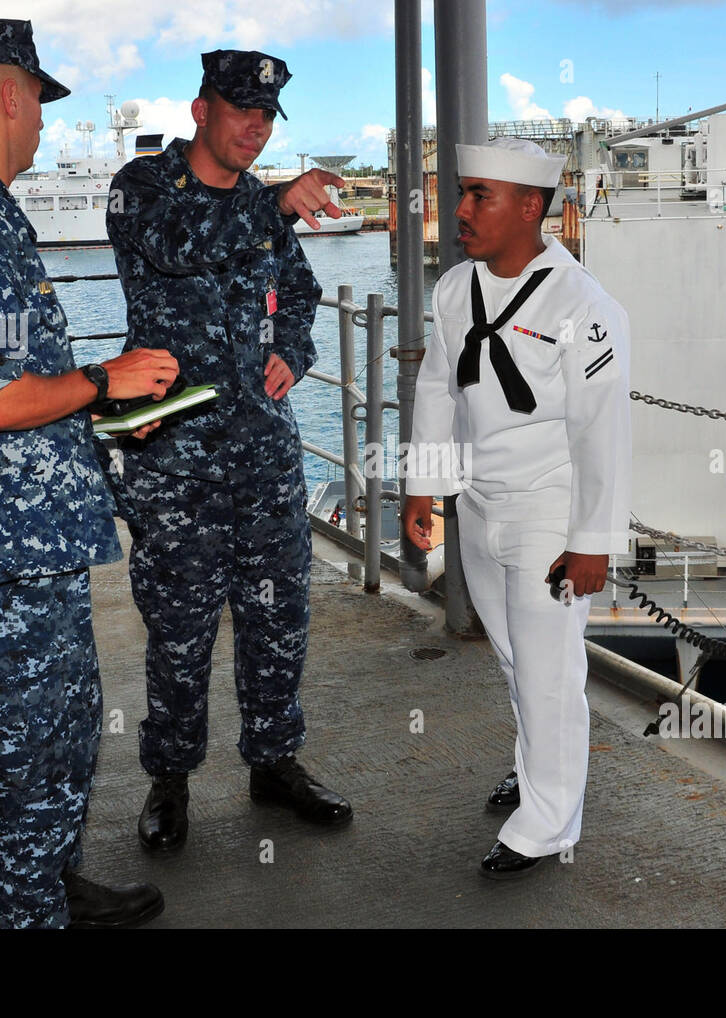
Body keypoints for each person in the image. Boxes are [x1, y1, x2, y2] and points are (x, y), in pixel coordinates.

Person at [0, 18, 179, 928]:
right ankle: (23, 910)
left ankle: (46, 878)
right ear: (12, 95)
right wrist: (103, 379)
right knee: (30, 748)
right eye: (41, 104)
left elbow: (13, 390)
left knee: (56, 732)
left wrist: (104, 410)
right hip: (4, 544)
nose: (46, 124)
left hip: (29, 535)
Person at [107, 48, 352, 855]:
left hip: (266, 459)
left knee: (279, 618)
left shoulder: (259, 205)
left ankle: (274, 763)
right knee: (179, 630)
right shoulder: (143, 189)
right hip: (173, 460)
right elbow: (180, 244)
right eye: (240, 107)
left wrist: (295, 348)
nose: (256, 124)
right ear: (199, 110)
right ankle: (169, 781)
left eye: (268, 114)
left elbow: (304, 293)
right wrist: (277, 205)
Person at [402, 137, 632, 879]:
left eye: (479, 196)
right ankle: (537, 772)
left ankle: (547, 825)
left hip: (550, 512)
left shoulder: (583, 304)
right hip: (479, 503)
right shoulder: (454, 290)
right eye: (463, 194)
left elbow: (602, 428)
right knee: (514, 659)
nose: (461, 210)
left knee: (549, 671)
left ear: (531, 207)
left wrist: (593, 538)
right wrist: (424, 487)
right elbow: (439, 386)